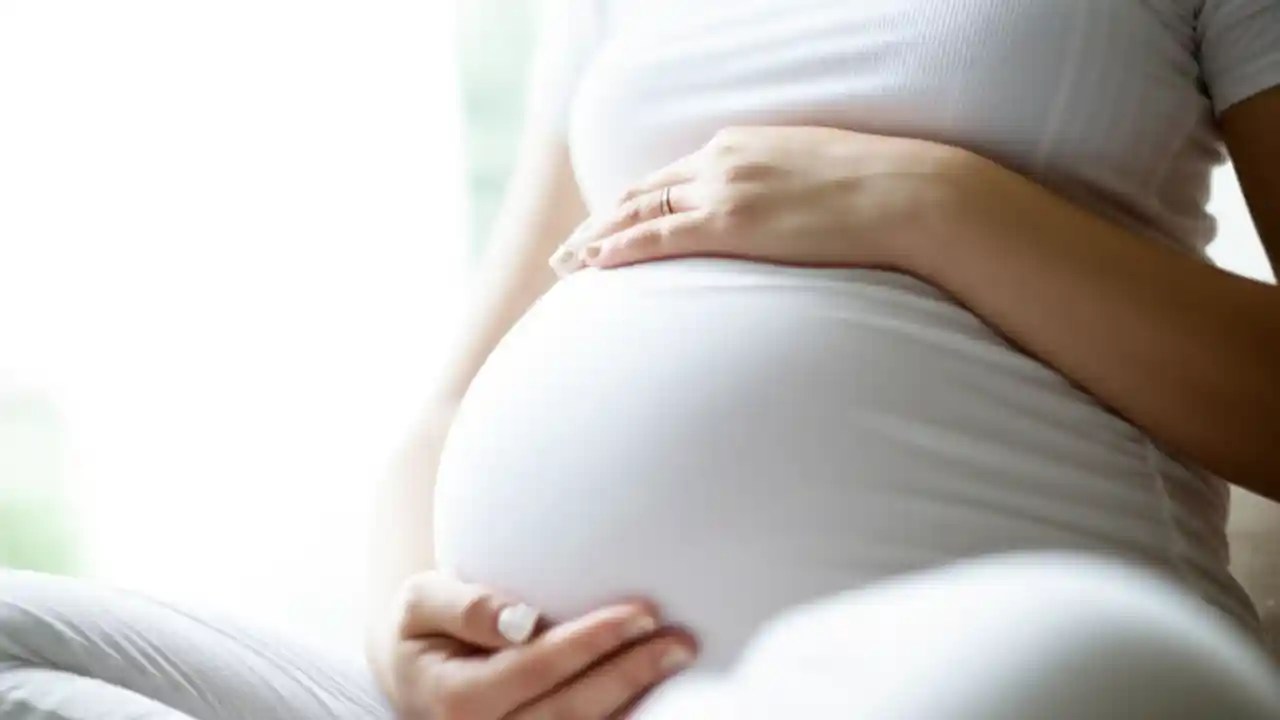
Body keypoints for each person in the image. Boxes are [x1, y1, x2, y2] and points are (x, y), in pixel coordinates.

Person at [3, 0, 1280, 718]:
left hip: (914, 684)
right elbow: (449, 400)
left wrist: (930, 202)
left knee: (1079, 673)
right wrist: (417, 652)